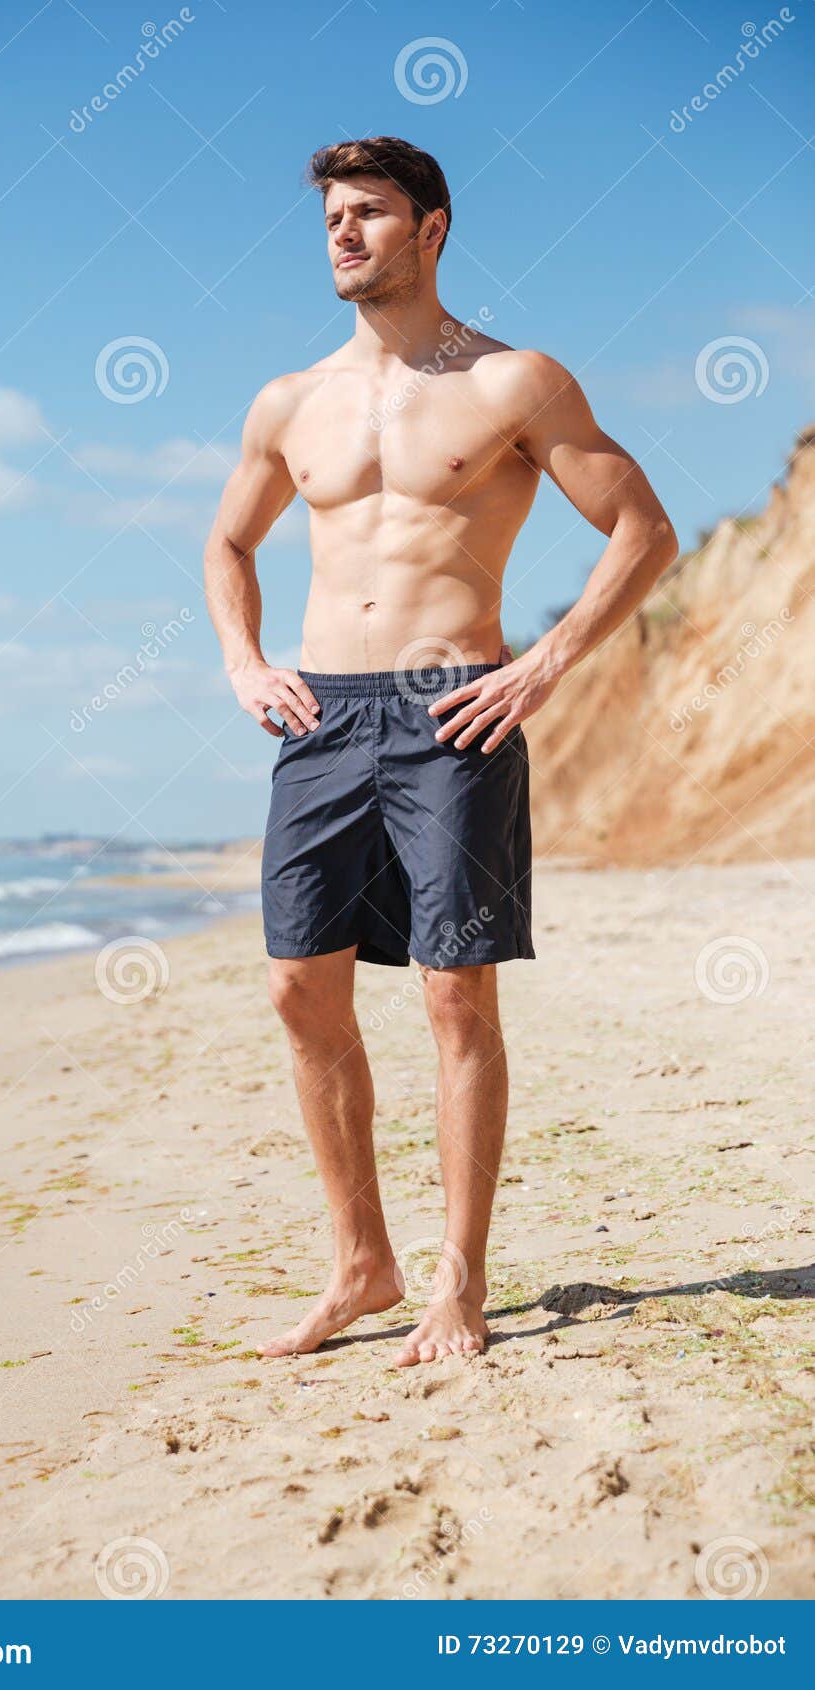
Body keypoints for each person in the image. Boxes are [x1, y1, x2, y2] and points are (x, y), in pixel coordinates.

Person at [203, 136, 676, 1365]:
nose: (343, 235)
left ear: (433, 227)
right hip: (319, 717)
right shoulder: (288, 401)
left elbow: (641, 527)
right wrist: (246, 664)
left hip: (449, 710)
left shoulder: (512, 382)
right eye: (329, 220)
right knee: (297, 986)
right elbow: (228, 545)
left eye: (368, 213)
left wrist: (544, 662)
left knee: (453, 995)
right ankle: (362, 1264)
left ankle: (458, 1278)